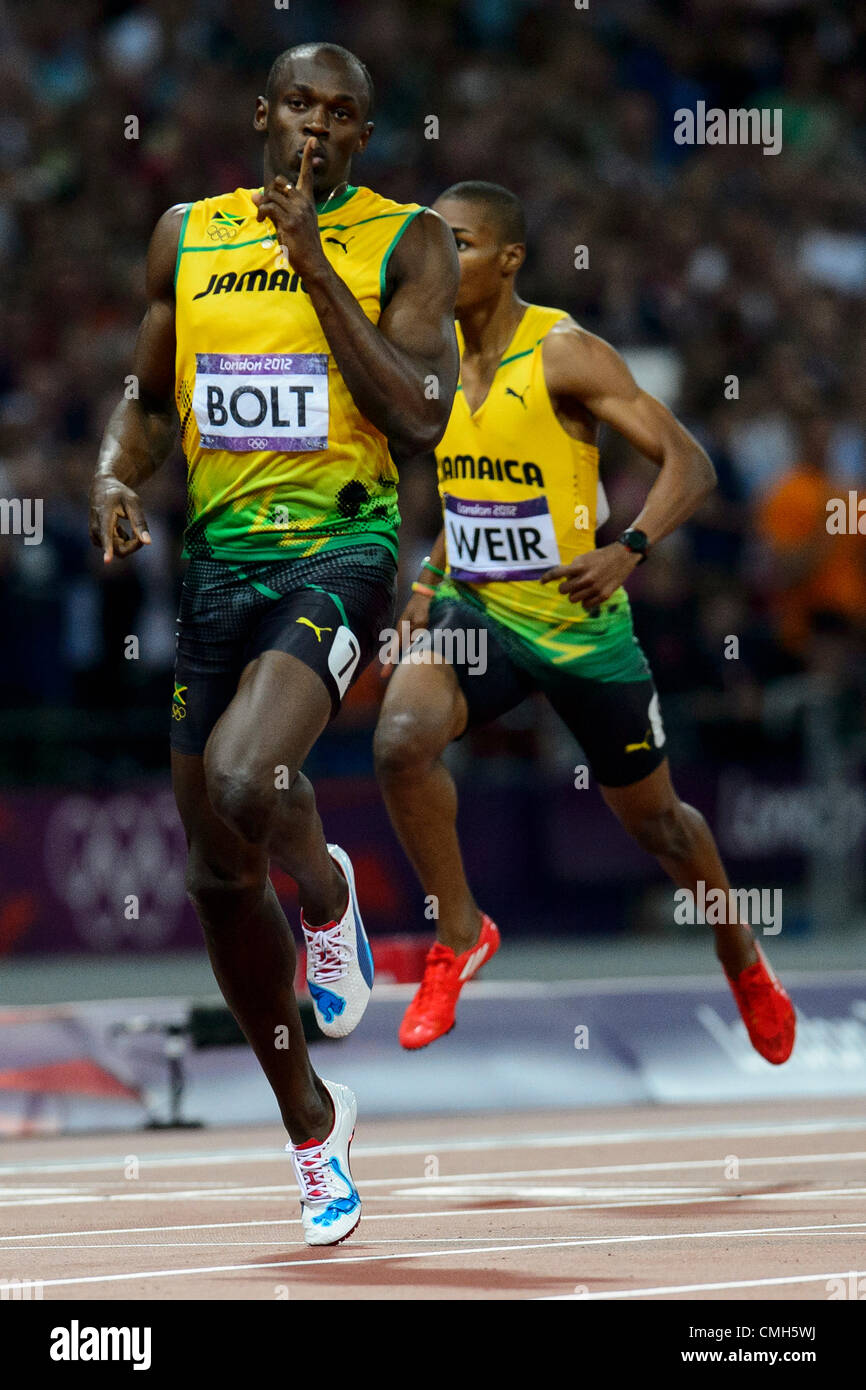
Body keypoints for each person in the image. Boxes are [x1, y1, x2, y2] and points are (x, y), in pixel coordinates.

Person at [88, 43, 459, 1245]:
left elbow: (415, 411)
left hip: (342, 553)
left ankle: (328, 887)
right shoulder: (185, 235)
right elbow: (149, 400)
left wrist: (313, 261)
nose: (319, 125)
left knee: (250, 778)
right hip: (218, 567)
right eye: (301, 102)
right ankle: (312, 1124)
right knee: (209, 872)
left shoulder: (407, 241)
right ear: (264, 114)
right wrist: (111, 471)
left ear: (362, 137)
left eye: (345, 114)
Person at [373, 181, 795, 1065]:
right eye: (433, 243)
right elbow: (479, 489)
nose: (441, 260)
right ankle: (461, 932)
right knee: (402, 737)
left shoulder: (565, 352)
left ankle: (740, 953)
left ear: (509, 259)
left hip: (579, 623)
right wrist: (429, 573)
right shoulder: (433, 353)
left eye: (462, 244)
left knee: (661, 827)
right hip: (477, 610)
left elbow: (692, 462)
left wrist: (629, 547)